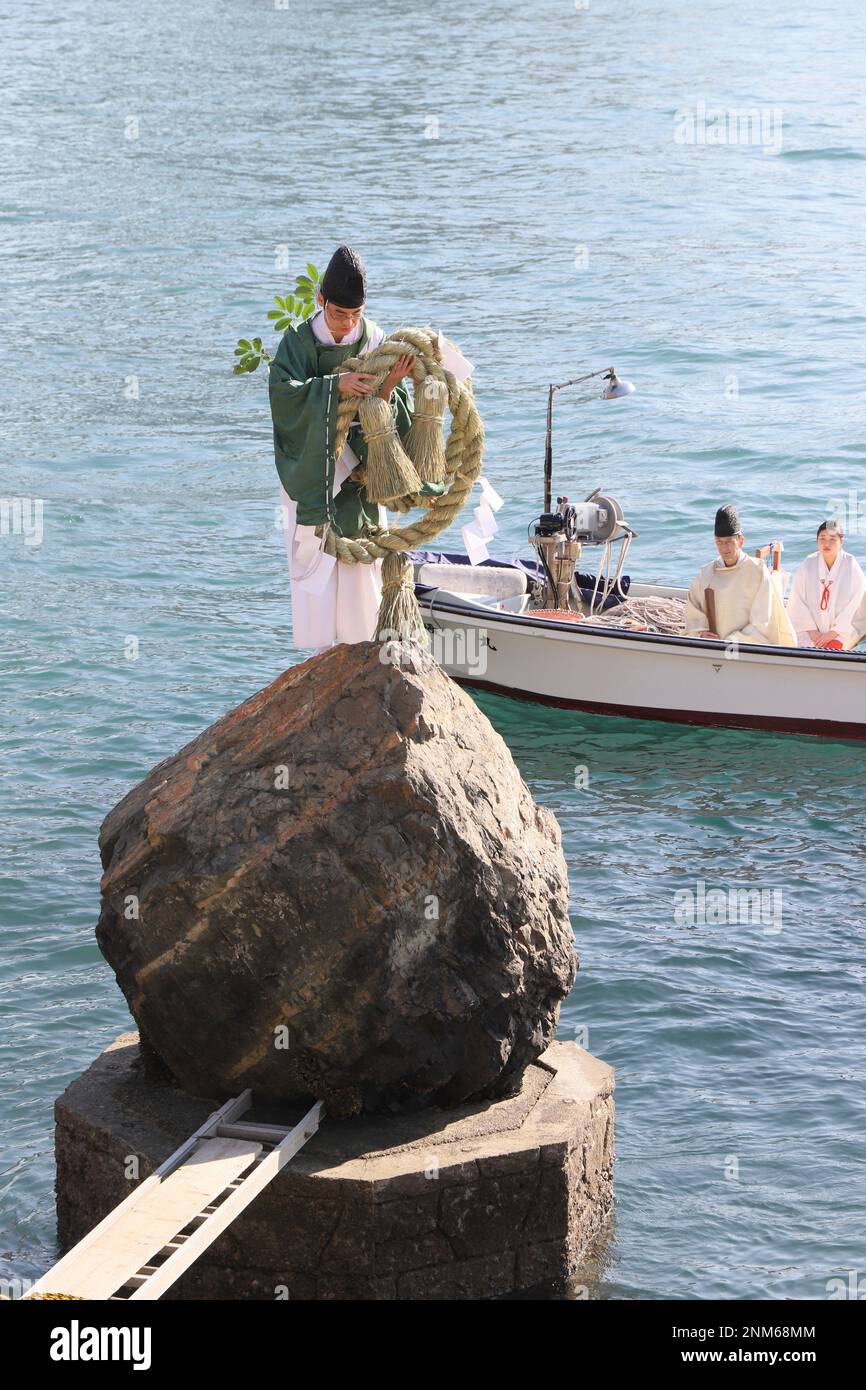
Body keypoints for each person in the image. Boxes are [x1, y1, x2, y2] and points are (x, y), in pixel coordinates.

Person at [268, 245, 416, 650]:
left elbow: (389, 408)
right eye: (338, 314)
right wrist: (335, 386)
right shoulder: (297, 345)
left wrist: (388, 387)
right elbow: (285, 398)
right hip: (315, 470)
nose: (346, 324)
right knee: (317, 558)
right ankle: (322, 653)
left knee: (362, 561)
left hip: (362, 468)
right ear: (321, 301)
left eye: (355, 314)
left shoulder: (375, 340)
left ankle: (361, 645)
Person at [684, 505, 796, 646]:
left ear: (741, 540)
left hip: (746, 648)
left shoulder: (758, 571)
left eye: (729, 542)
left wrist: (730, 642)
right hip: (712, 649)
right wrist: (700, 634)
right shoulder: (706, 574)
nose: (724, 548)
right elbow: (693, 612)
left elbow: (763, 621)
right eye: (719, 542)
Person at [785, 520, 866, 650]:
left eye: (832, 539)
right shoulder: (809, 563)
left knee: (835, 650)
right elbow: (797, 600)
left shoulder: (851, 565)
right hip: (810, 630)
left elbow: (857, 603)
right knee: (803, 649)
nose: (826, 543)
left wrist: (833, 633)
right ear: (817, 540)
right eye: (822, 538)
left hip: (842, 632)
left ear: (841, 542)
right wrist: (812, 631)